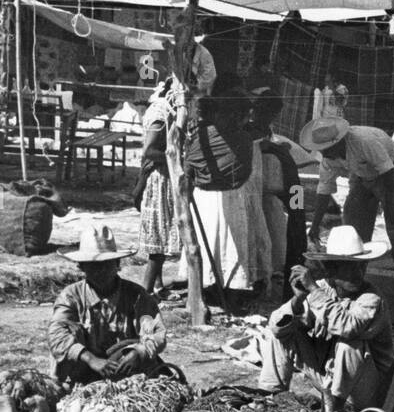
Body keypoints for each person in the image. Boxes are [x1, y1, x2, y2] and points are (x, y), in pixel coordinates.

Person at [258, 225, 394, 412]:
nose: (358, 272)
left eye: (361, 265)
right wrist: (297, 300)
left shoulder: (371, 298)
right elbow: (276, 327)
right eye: (350, 267)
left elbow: (347, 326)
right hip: (328, 379)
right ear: (331, 269)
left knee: (351, 344)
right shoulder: (324, 289)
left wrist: (314, 292)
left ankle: (334, 411)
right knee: (282, 332)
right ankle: (268, 398)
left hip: (366, 387)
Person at [182, 74, 271, 306]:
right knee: (230, 245)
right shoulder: (242, 137)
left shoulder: (202, 134)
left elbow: (188, 169)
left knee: (214, 243)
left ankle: (211, 288)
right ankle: (231, 291)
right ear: (233, 114)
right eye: (242, 116)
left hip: (204, 197)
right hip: (231, 198)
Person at [49, 225, 168, 386]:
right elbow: (56, 335)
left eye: (107, 264)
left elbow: (156, 333)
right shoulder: (70, 296)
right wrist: (91, 359)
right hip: (81, 371)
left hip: (124, 370)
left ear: (117, 264)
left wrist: (138, 352)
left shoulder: (137, 296)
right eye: (93, 265)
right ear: (81, 267)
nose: (101, 271)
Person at [302, 117, 394, 268]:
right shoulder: (327, 159)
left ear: (339, 142)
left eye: (327, 150)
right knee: (353, 212)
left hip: (392, 166)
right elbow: (323, 192)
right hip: (361, 173)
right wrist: (315, 226)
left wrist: (390, 202)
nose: (324, 154)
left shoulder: (363, 141)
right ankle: (357, 257)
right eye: (321, 150)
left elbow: (387, 171)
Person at [250, 85, 312, 289]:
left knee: (296, 218)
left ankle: (290, 268)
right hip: (262, 190)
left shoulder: (271, 135)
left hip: (285, 188)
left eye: (271, 114)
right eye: (266, 112)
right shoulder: (250, 130)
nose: (269, 117)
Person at [133, 77, 181, 299]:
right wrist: (178, 157)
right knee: (158, 241)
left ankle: (158, 286)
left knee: (160, 235)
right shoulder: (160, 115)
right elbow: (149, 151)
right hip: (160, 178)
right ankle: (145, 291)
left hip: (162, 176)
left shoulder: (163, 111)